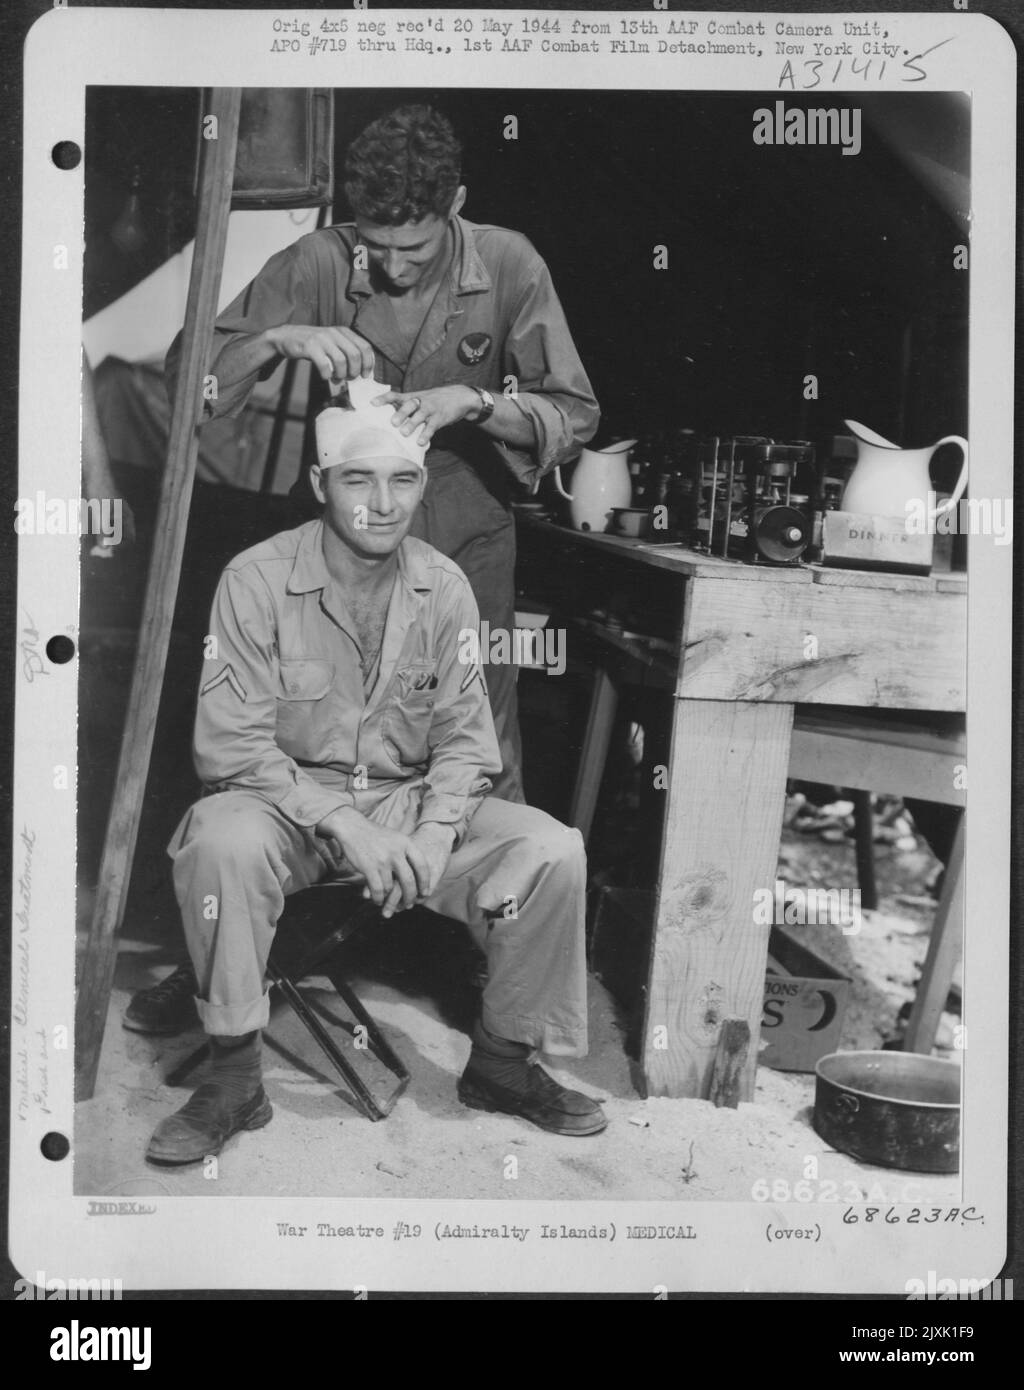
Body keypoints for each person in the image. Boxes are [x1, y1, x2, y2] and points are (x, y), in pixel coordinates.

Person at [144, 384, 605, 1165]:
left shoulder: (445, 589)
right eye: (358, 480)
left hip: (403, 804)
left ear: (423, 487)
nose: (382, 503)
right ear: (322, 485)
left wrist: (432, 832)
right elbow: (229, 747)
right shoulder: (254, 580)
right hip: (284, 812)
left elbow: (466, 742)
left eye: (403, 480)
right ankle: (232, 1078)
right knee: (219, 841)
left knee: (552, 849)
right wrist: (344, 824)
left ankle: (499, 1062)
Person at [167, 102, 599, 804]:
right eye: (378, 245)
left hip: (467, 535)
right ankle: (330, 876)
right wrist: (280, 340)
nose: (394, 267)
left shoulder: (509, 263)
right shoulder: (317, 261)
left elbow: (575, 415)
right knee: (314, 727)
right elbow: (194, 386)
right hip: (336, 543)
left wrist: (477, 403)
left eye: (417, 250)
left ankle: (481, 895)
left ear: (456, 204)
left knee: (478, 736)